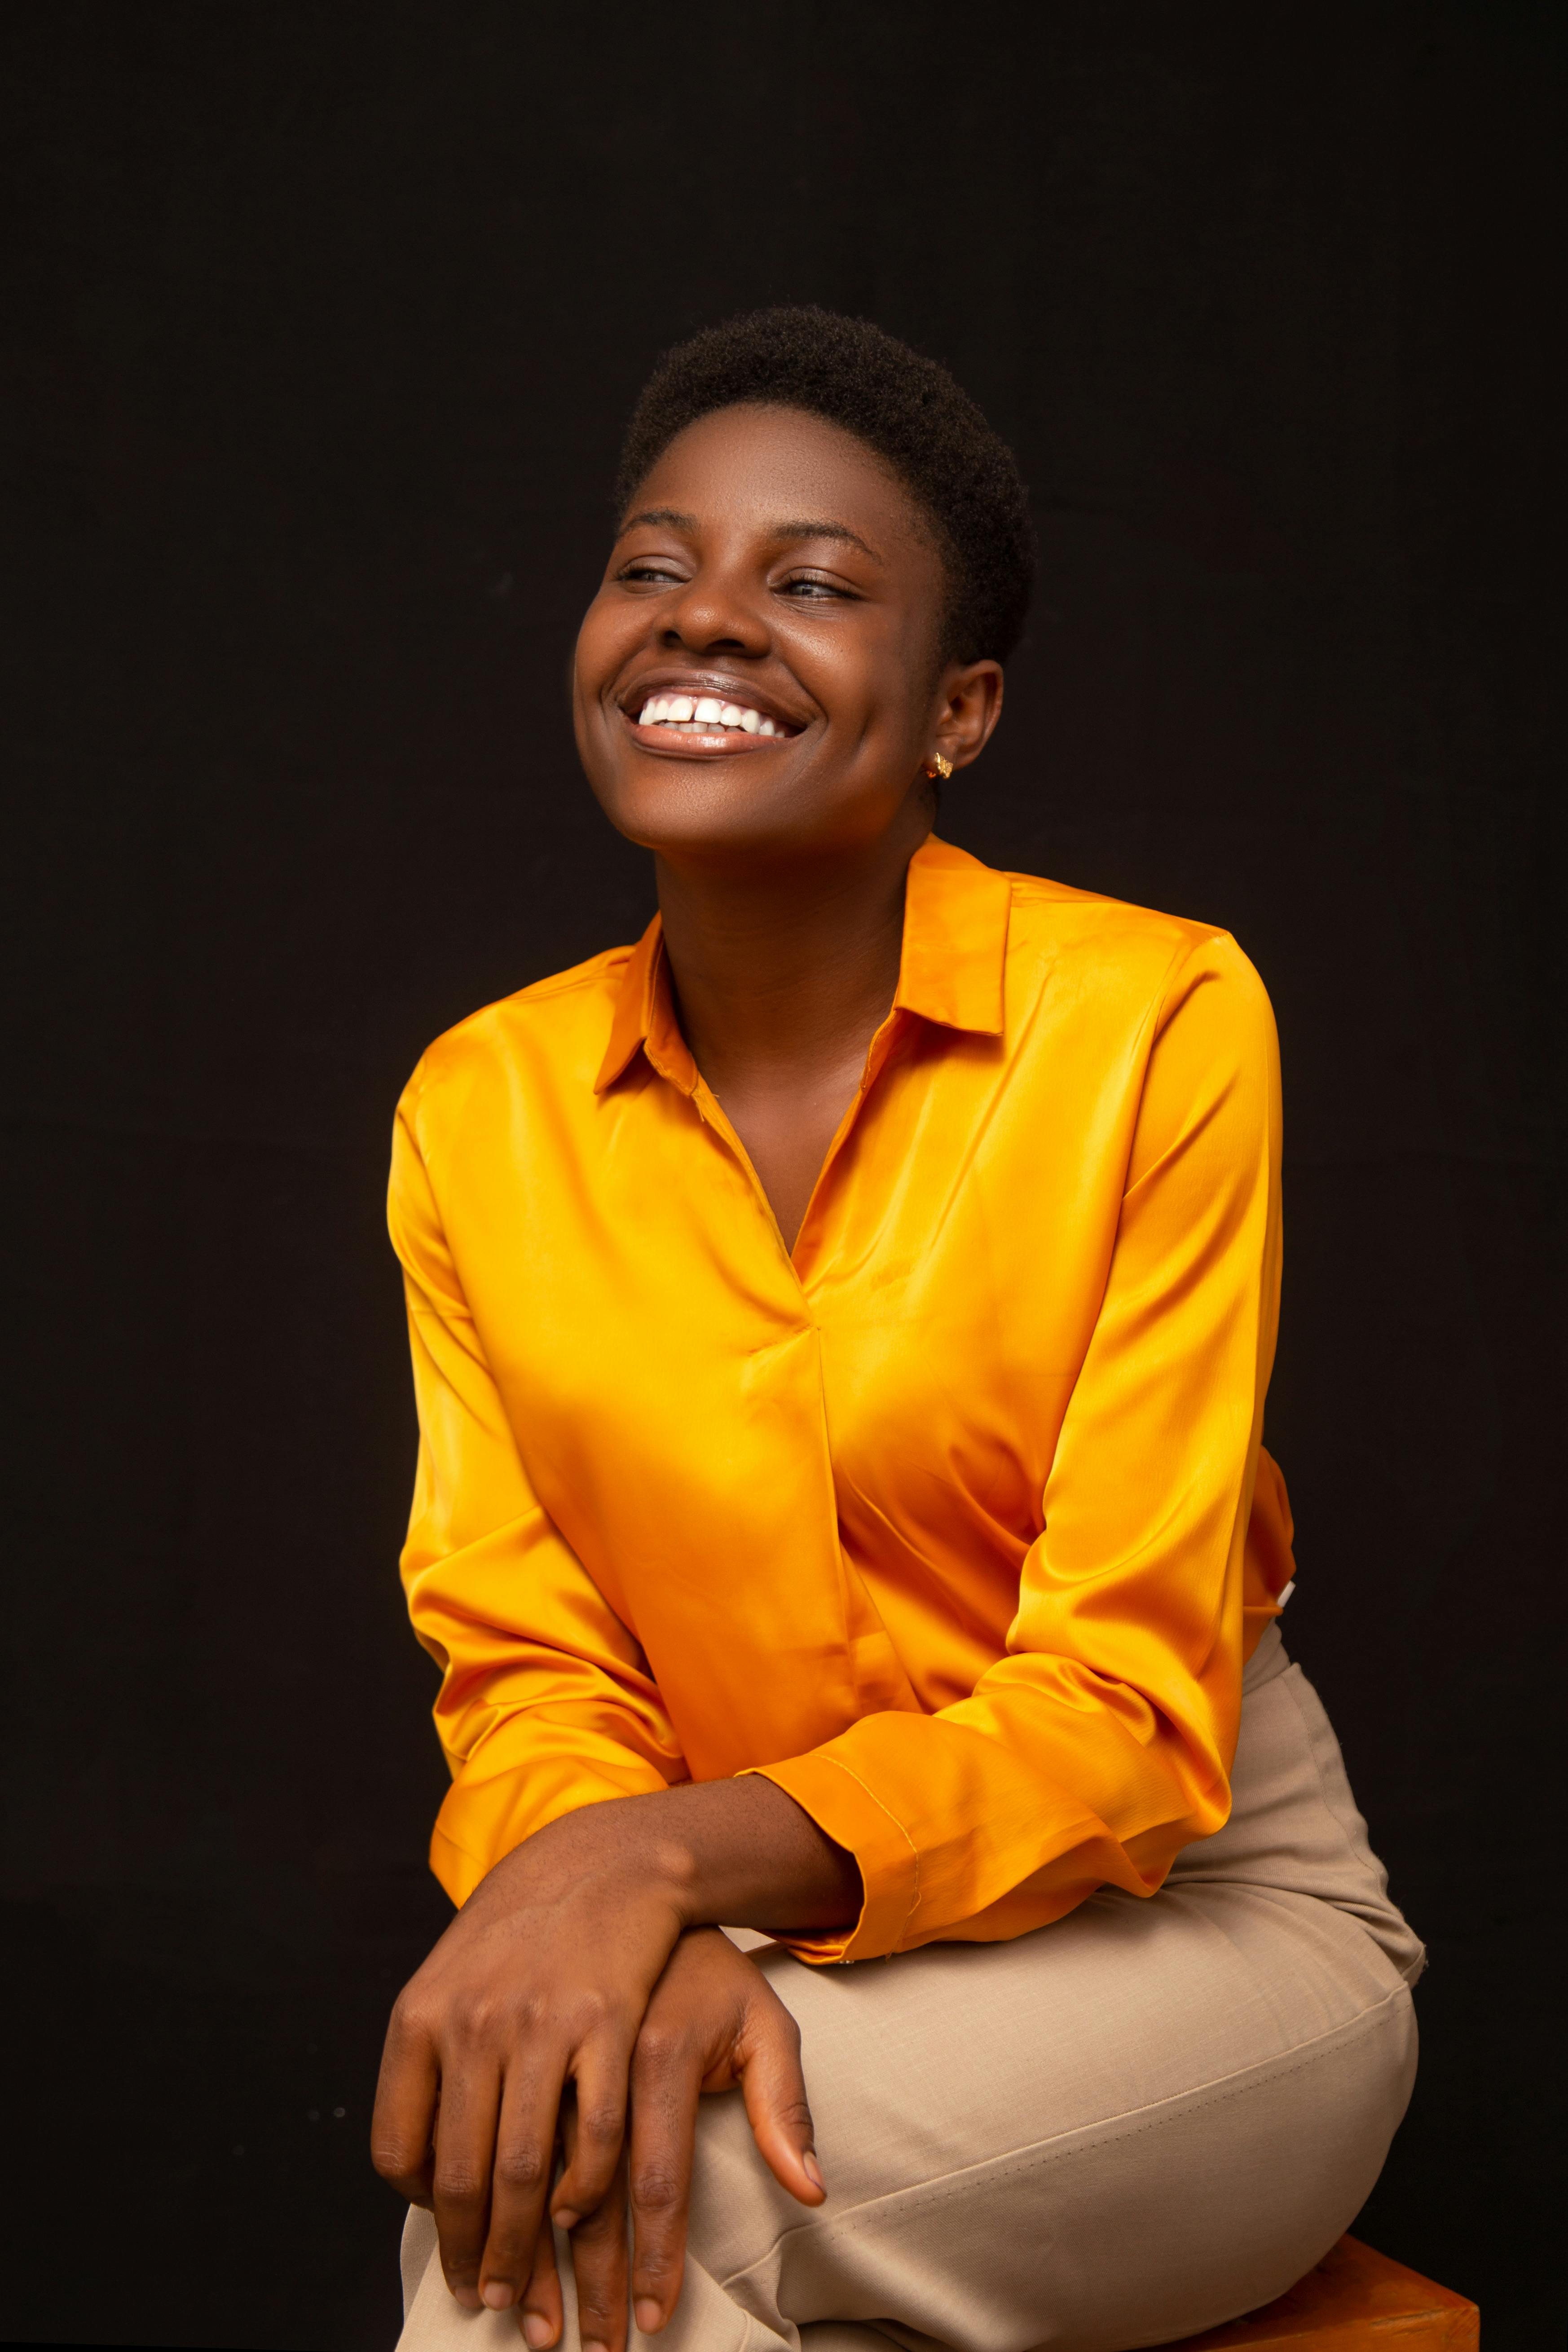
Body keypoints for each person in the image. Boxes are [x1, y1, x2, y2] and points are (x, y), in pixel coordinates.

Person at [373, 308, 1423, 2352]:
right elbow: (525, 1661)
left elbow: (1122, 1701)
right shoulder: (472, 1109)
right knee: (562, 2177)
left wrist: (662, 1869)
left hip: (1198, 1919)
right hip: (757, 1909)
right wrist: (638, 1905)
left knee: (605, 2223)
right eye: (654, 566)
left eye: (814, 585)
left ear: (960, 707)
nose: (710, 622)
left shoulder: (1156, 1022)